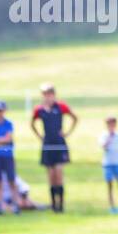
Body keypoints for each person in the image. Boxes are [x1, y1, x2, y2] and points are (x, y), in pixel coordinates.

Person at [31, 83, 77, 212]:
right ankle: (53, 204)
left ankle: (61, 204)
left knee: (58, 172)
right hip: (47, 144)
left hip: (59, 143)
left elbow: (74, 117)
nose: (47, 97)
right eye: (45, 94)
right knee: (50, 174)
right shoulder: (39, 109)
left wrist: (67, 132)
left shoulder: (61, 106)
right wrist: (40, 136)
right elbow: (32, 123)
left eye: (50, 94)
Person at [99, 116, 118, 213]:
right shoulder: (104, 136)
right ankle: (112, 206)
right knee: (110, 186)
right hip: (108, 164)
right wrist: (109, 138)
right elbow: (104, 147)